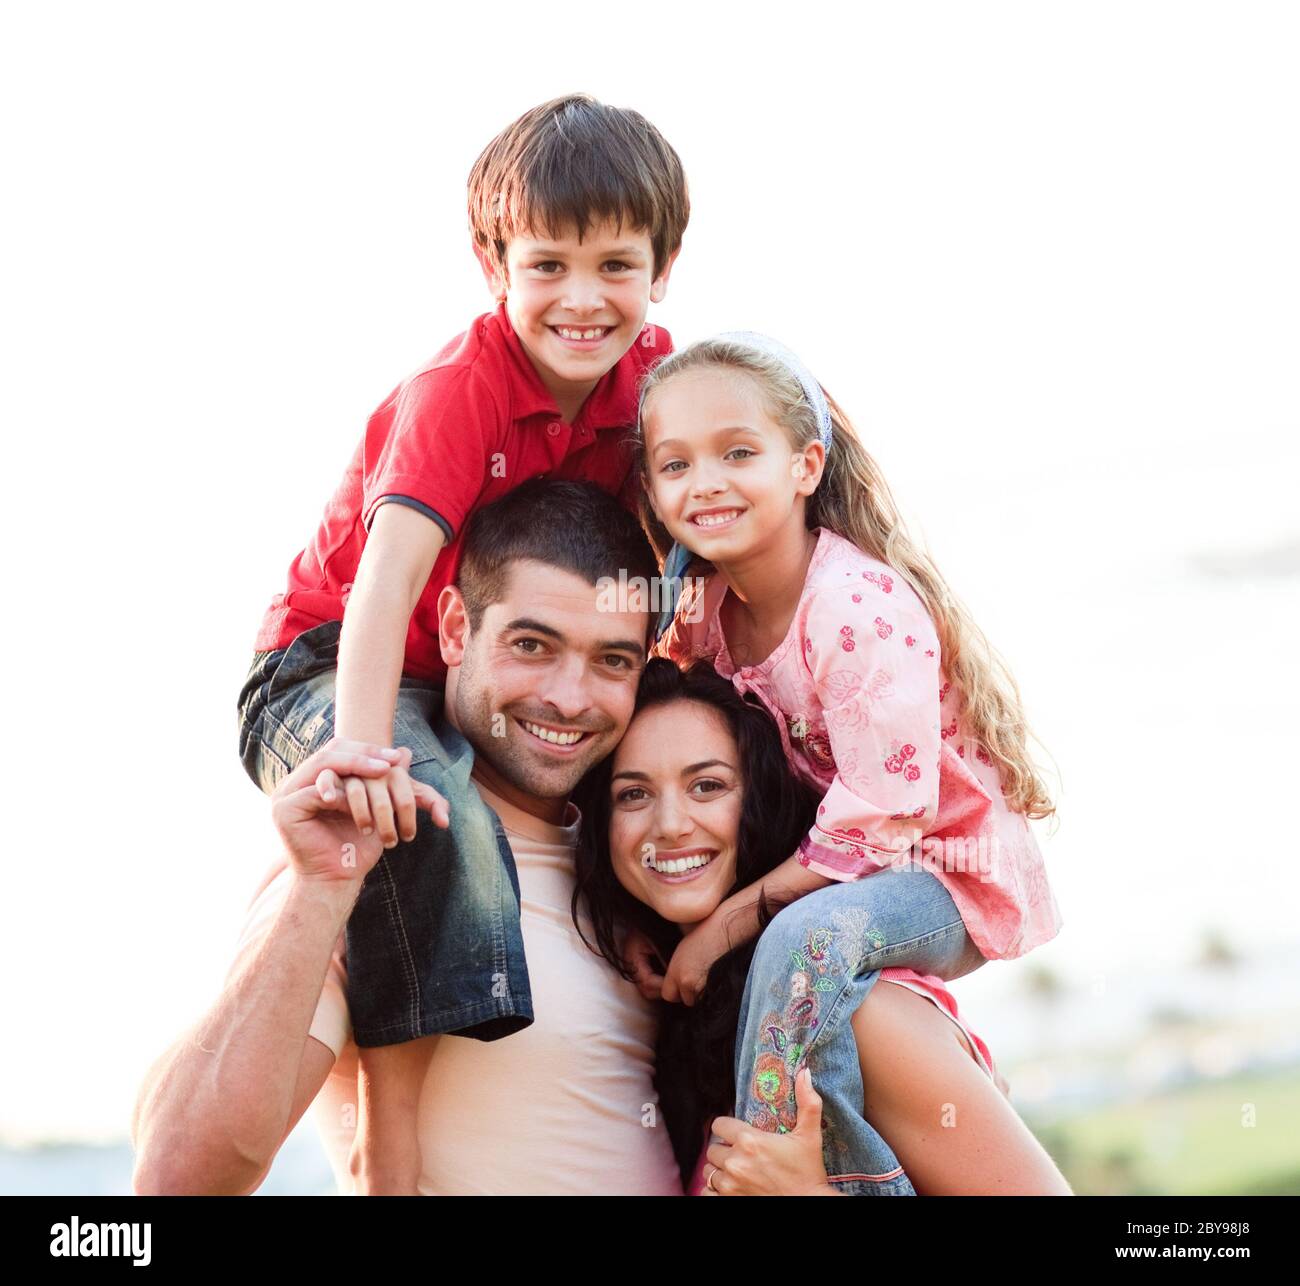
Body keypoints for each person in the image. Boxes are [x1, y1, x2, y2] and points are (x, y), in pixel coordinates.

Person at [235, 95, 687, 1187]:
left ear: (663, 268)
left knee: (668, 779)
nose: (583, 300)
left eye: (616, 266)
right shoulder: (461, 387)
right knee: (431, 810)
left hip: (471, 670)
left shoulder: (658, 384)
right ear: (493, 263)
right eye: (548, 266)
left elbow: (677, 552)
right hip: (328, 662)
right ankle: (393, 1132)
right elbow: (386, 583)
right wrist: (358, 755)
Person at [136, 481, 682, 1194]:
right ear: (456, 629)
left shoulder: (633, 865)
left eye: (612, 660)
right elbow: (177, 1180)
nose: (571, 697)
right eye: (531, 644)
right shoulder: (380, 852)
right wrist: (320, 890)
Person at [630, 332, 1064, 1171]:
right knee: (802, 932)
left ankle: (798, 1170)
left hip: (939, 870)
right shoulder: (703, 612)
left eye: (738, 452)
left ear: (806, 465)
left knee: (806, 940)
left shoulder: (854, 609)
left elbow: (884, 823)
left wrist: (724, 923)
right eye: (674, 465)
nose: (706, 482)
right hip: (829, 871)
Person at [573, 658, 1072, 1195]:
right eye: (633, 794)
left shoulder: (860, 1012)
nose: (669, 825)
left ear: (762, 798)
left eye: (708, 786)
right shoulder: (688, 1023)